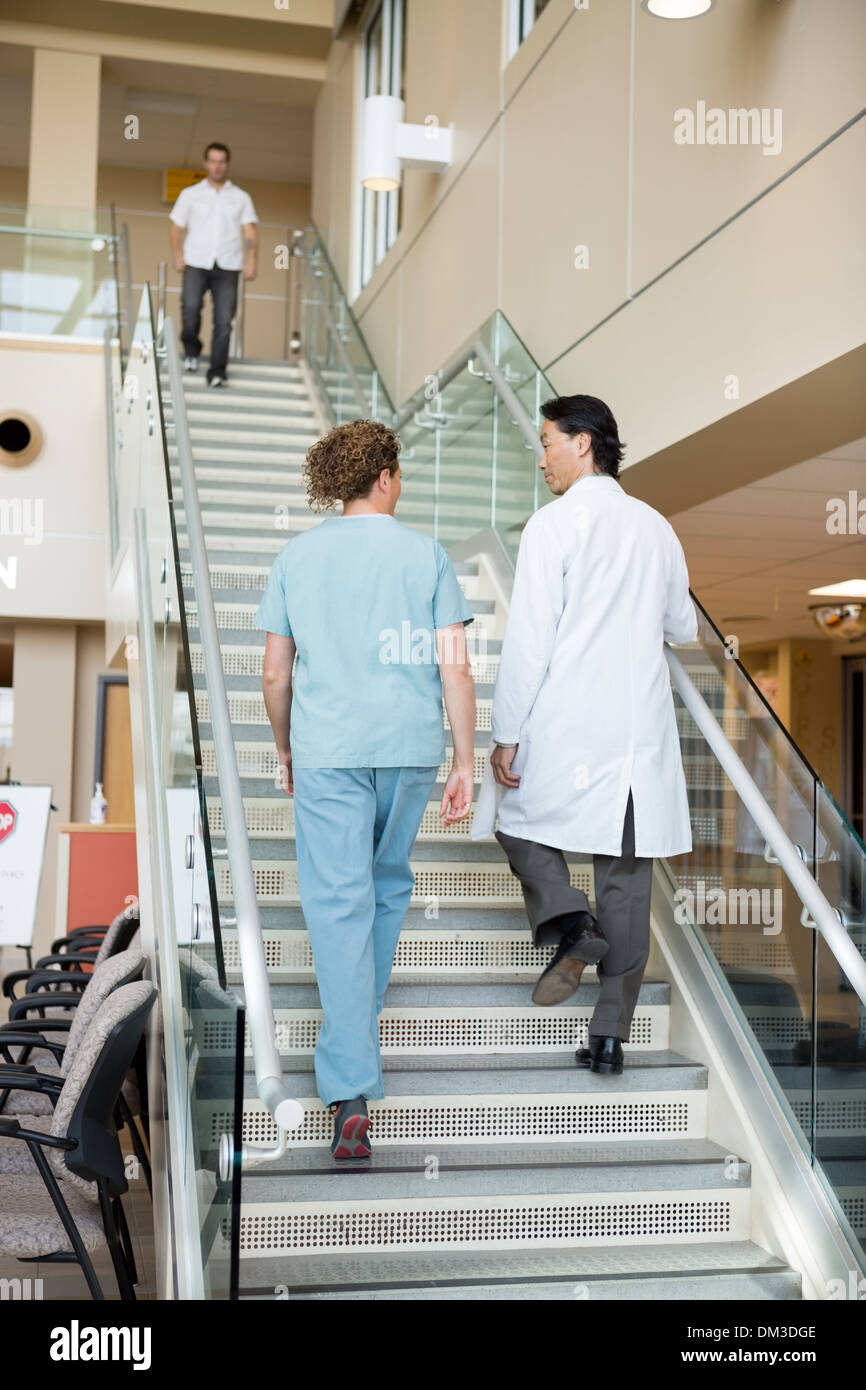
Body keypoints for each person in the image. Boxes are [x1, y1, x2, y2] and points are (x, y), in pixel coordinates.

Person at [255, 419, 476, 1160]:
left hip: (330, 751)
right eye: (400, 472)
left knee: (337, 901)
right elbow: (456, 669)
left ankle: (349, 1083)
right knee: (383, 890)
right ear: (385, 477)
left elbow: (275, 674)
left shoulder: (297, 556)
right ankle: (357, 1039)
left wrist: (284, 747)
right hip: (410, 749)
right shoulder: (429, 556)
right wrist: (464, 762)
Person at [470, 395, 698, 1075]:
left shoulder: (553, 525)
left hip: (567, 718)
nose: (540, 458)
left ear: (584, 443)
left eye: (547, 443)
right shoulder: (656, 527)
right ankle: (608, 1038)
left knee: (513, 817)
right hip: (638, 732)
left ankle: (571, 922)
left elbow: (529, 641)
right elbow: (682, 627)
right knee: (626, 876)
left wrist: (505, 732)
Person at [168, 142, 258, 387]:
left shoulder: (241, 198)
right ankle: (191, 351)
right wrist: (177, 255)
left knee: (224, 321)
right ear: (206, 163)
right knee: (190, 308)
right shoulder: (190, 194)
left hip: (228, 266)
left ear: (227, 164)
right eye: (213, 161)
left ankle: (217, 371)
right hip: (196, 262)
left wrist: (252, 260)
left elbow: (250, 231)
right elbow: (176, 227)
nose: (217, 166)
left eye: (221, 161)